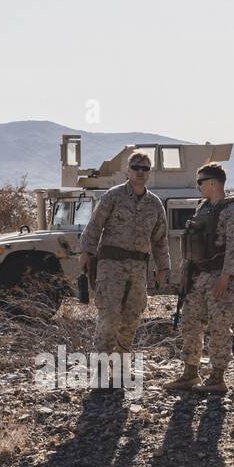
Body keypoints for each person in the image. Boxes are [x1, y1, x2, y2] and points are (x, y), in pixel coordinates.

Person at [164, 162, 234, 394]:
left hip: (220, 278)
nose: (198, 186)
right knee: (190, 323)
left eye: (200, 182)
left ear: (213, 183)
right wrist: (185, 276)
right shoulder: (203, 209)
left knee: (220, 326)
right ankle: (190, 373)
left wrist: (228, 275)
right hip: (197, 277)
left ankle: (217, 377)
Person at [79, 150, 170, 360]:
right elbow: (94, 226)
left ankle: (120, 365)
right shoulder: (113, 196)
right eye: (136, 168)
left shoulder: (154, 204)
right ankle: (100, 370)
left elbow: (159, 240)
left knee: (132, 318)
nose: (140, 172)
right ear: (127, 171)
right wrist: (86, 253)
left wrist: (163, 268)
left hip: (139, 269)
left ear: (149, 173)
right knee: (109, 318)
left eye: (145, 168)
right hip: (111, 267)